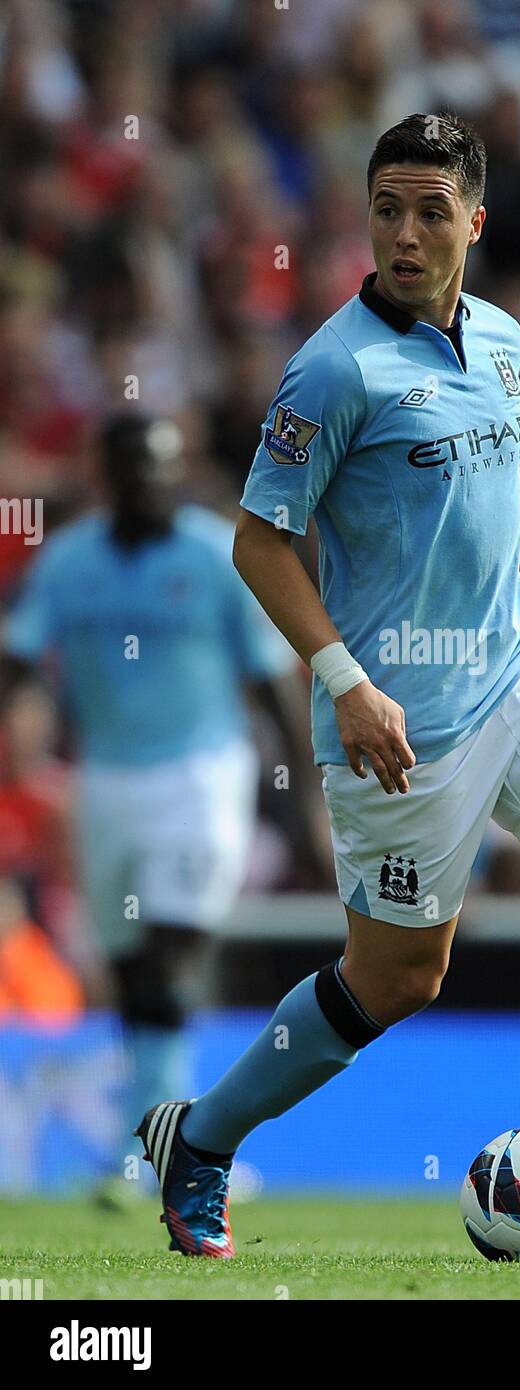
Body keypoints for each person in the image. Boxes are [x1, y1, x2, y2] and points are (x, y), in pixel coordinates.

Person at [137, 113, 520, 1260]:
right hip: (399, 721)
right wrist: (347, 681)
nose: (406, 234)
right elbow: (260, 543)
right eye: (387, 209)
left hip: (516, 668)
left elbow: (481, 484)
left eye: (431, 211)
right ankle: (203, 1139)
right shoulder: (332, 369)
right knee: (397, 978)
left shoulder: (506, 341)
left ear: (474, 220)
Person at [2, 414, 306, 1204]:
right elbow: (18, 660)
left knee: (173, 951)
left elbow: (270, 679)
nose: (149, 482)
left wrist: (307, 798)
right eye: (134, 467)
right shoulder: (69, 564)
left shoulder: (214, 556)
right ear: (108, 472)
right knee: (133, 969)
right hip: (105, 781)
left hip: (201, 775)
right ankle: (157, 1139)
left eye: (162, 468)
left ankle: (165, 1149)